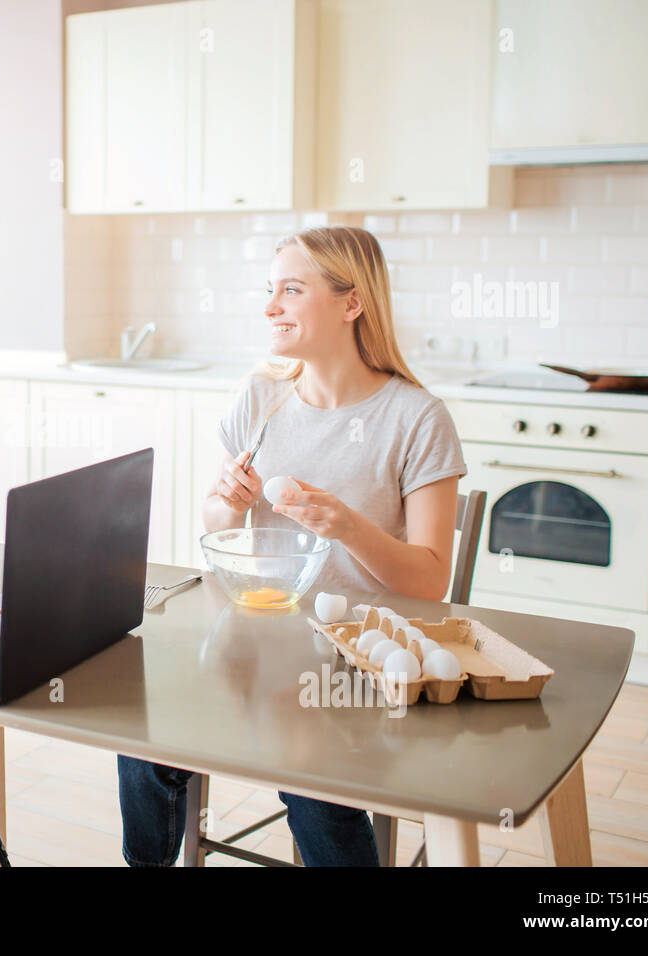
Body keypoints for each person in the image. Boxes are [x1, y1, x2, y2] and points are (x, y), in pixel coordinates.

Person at [118, 226, 468, 866]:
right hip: (257, 636)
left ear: (351, 303)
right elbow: (214, 521)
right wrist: (229, 500)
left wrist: (347, 525)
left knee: (306, 772)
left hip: (359, 657)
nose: (270, 306)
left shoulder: (418, 418)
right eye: (269, 290)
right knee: (145, 733)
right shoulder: (261, 397)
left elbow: (429, 582)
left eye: (291, 289)